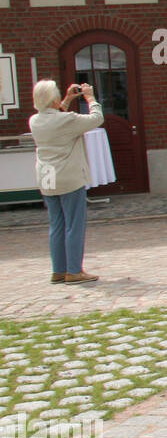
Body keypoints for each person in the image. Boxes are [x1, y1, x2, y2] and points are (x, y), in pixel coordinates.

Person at [29, 79, 103, 285]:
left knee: (56, 224)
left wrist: (67, 100)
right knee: (74, 224)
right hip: (68, 175)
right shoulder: (67, 120)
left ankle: (59, 270)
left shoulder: (35, 120)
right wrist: (90, 98)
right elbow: (96, 118)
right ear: (53, 100)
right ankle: (74, 270)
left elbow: (55, 116)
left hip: (47, 175)